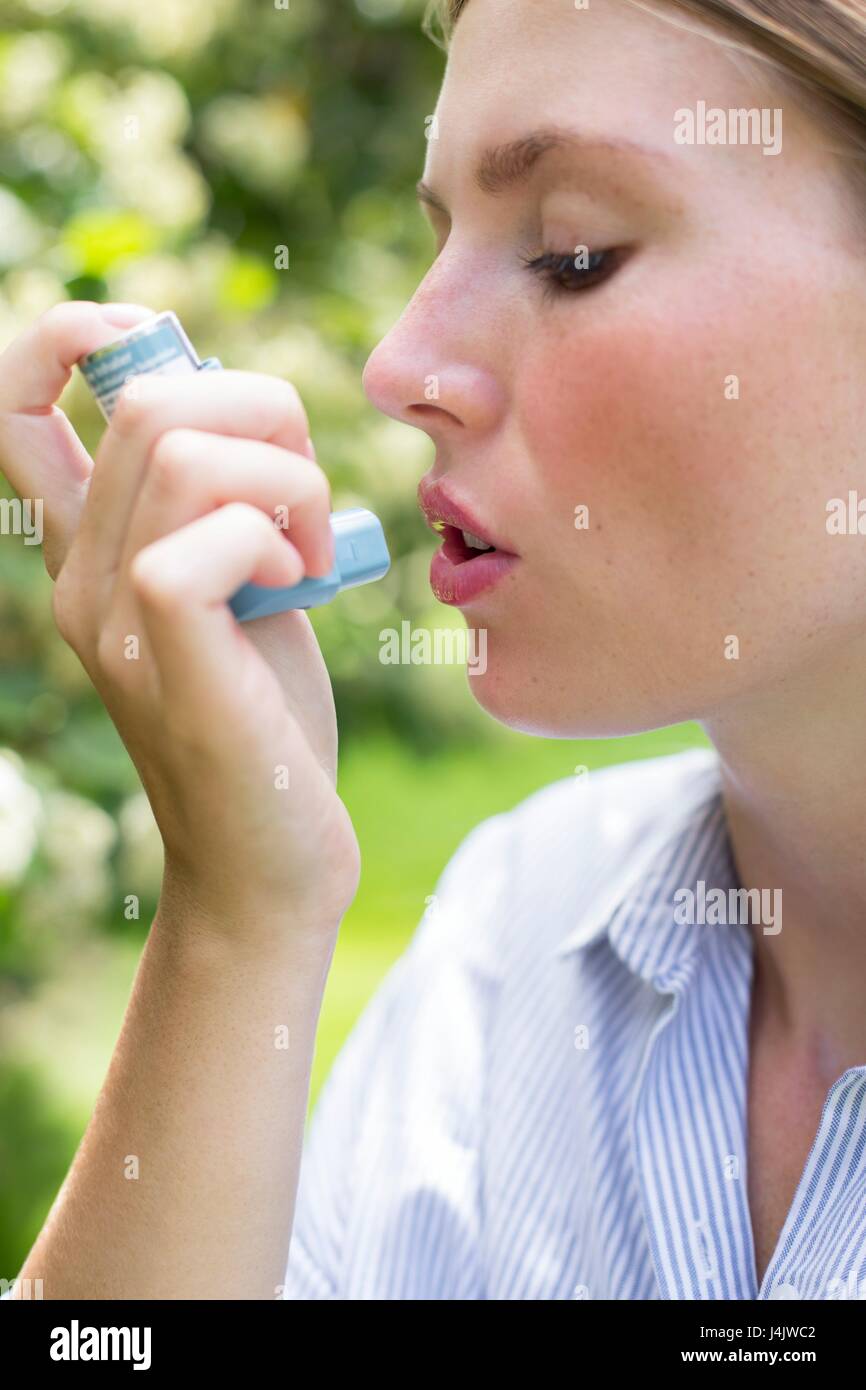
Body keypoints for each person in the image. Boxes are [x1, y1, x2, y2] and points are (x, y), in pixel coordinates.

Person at [2, 0, 866, 1301]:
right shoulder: (505, 945)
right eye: (437, 235)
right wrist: (239, 913)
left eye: (572, 253)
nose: (397, 360)